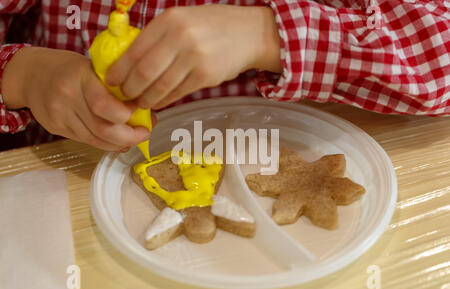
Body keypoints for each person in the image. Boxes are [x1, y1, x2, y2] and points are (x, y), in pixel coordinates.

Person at [0, 0, 448, 152]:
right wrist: (25, 75)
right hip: (72, 178)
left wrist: (267, 34)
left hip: (270, 158)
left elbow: (438, 48)